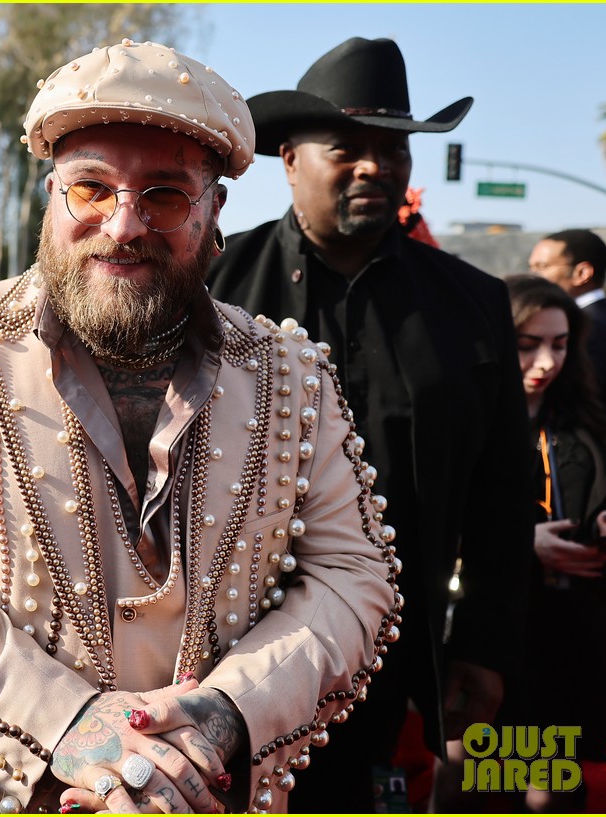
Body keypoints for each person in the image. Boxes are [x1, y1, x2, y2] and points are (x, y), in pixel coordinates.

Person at [0, 40, 401, 814]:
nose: (123, 224)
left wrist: (227, 713)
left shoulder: (292, 376)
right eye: (91, 189)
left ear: (214, 212)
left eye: (165, 196)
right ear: (51, 197)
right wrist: (66, 720)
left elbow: (354, 577)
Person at [205, 36, 535, 811]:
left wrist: (484, 647)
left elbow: (502, 494)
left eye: (394, 149)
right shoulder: (213, 285)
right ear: (289, 160)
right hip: (233, 655)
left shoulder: (472, 303)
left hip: (402, 650)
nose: (374, 167)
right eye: (348, 148)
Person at [434, 276, 606, 811]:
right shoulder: (456, 416)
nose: (546, 361)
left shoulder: (590, 424)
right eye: (528, 344)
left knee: (549, 790)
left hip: (565, 633)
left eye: (560, 344)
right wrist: (520, 543)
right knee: (464, 779)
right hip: (479, 627)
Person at [529, 228, 606, 432]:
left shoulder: (586, 327)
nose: (533, 277)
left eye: (542, 267)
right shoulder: (603, 320)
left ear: (582, 273)